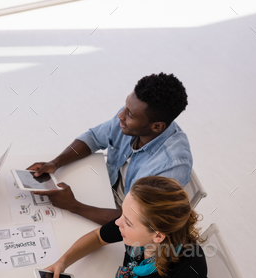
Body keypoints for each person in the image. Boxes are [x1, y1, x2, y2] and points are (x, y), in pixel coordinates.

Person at [46, 176, 207, 278]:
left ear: (158, 235)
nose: (117, 222)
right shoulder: (138, 222)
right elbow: (98, 237)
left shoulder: (191, 271)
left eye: (128, 222)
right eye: (122, 213)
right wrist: (62, 262)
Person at [27, 72, 192, 225]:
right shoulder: (132, 119)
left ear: (156, 126)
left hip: (126, 222)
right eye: (125, 106)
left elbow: (136, 221)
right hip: (107, 192)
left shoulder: (171, 165)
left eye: (131, 115)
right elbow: (93, 138)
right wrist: (56, 163)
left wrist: (74, 206)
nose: (121, 115)